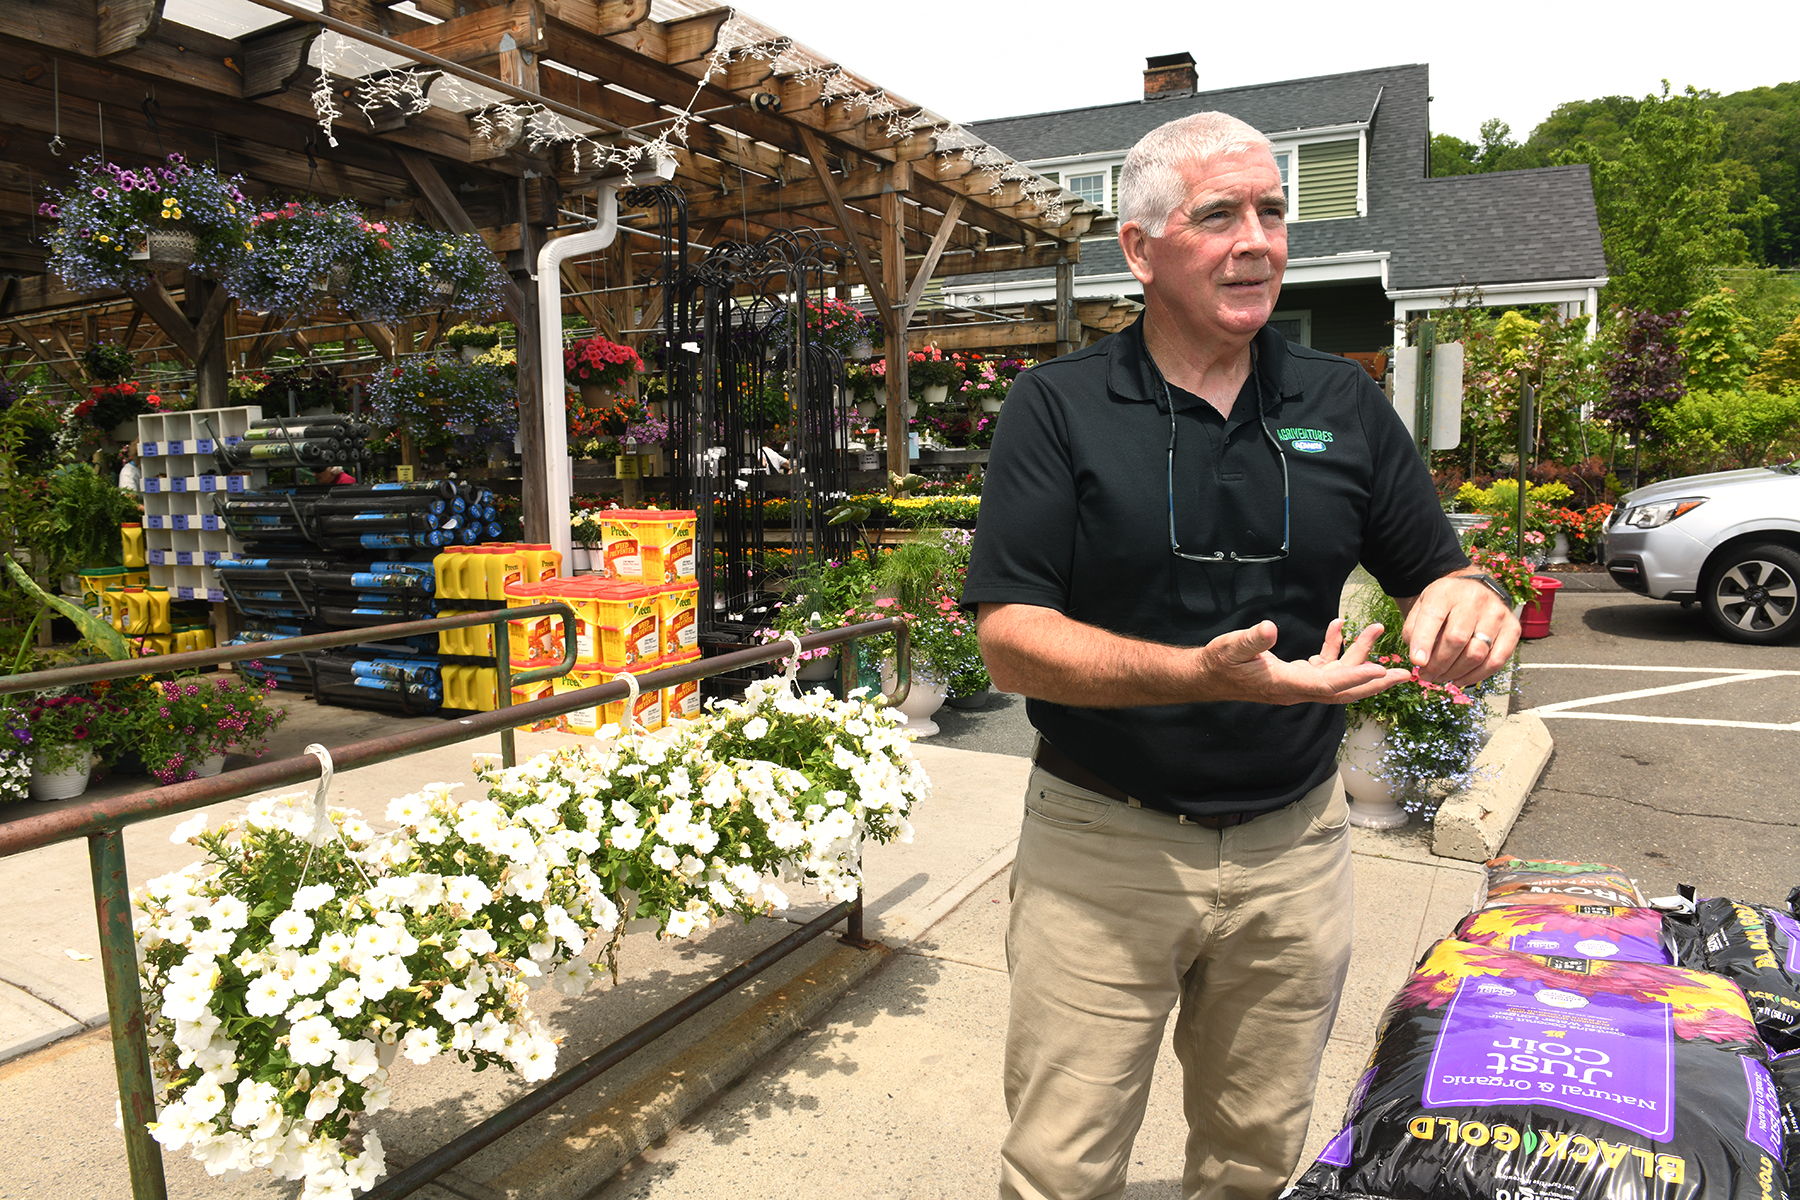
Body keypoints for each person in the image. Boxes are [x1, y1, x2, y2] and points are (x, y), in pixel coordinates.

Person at [961, 111, 1521, 1200]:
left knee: (1253, 1154)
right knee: (1062, 1161)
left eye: (1273, 211)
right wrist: (1194, 674)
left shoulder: (1339, 400)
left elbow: (1438, 571)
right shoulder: (1061, 405)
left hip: (1293, 847)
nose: (1257, 240)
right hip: (1103, 844)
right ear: (1140, 249)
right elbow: (1010, 642)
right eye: (1219, 214)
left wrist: (1468, 602)